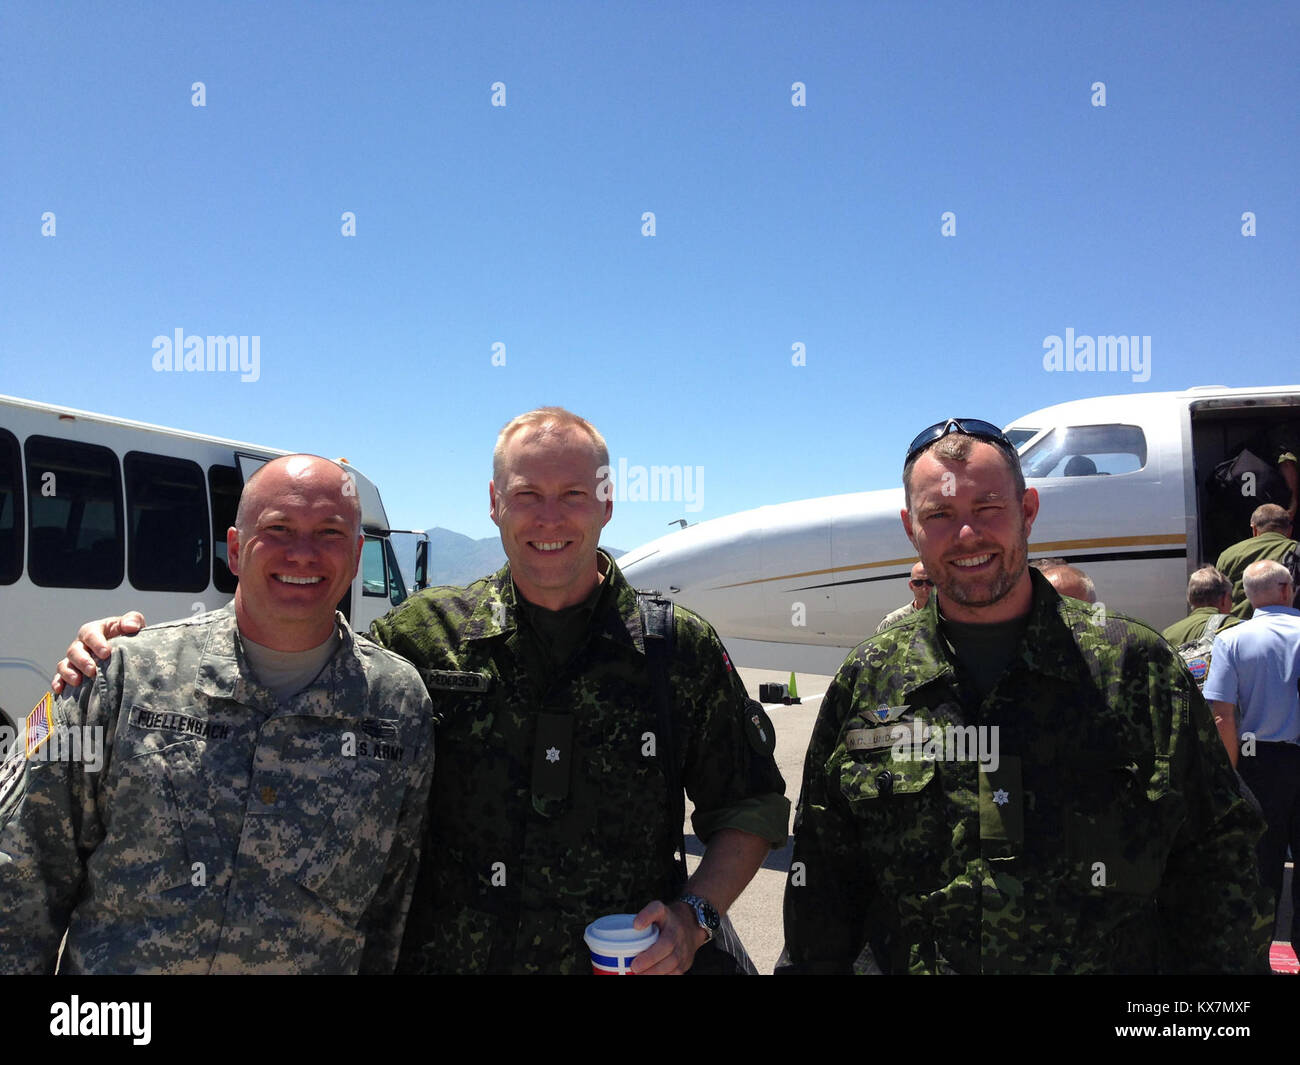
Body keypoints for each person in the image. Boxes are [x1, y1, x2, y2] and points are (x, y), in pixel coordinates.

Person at [56, 409, 789, 975]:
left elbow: (750, 806)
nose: (549, 517)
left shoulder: (674, 649)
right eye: (527, 493)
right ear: (494, 504)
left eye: (572, 494)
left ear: (607, 503)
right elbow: (305, 660)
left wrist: (694, 917)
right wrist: (126, 652)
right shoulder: (425, 636)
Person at [780, 418, 1272, 974]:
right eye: (939, 515)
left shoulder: (1136, 668)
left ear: (1028, 510)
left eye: (988, 507)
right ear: (910, 528)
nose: (967, 536)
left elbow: (1220, 856)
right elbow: (822, 879)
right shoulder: (868, 681)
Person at [1, 455, 434, 974]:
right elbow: (18, 870)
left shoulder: (398, 704)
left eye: (329, 533)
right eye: (278, 529)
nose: (303, 552)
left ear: (357, 553)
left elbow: (391, 909)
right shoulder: (117, 675)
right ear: (233, 549)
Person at [1203, 558, 1300, 951]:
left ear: (1246, 596)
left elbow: (1222, 715)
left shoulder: (1232, 639)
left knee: (1263, 863)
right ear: (1286, 590)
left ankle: (1258, 951)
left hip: (1260, 765)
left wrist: (1228, 776)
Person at [1215, 504, 1298, 620]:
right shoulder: (1296, 550)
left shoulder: (1228, 555)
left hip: (1240, 628)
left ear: (1254, 529)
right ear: (1289, 531)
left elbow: (1219, 598)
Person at [1161, 566, 1239, 646]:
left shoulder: (1167, 635)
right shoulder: (1237, 627)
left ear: (1189, 598)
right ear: (1224, 598)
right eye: (1231, 598)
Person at [874, 561, 932, 634]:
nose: (924, 587)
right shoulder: (893, 622)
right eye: (918, 583)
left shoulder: (948, 617)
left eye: (930, 581)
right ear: (911, 586)